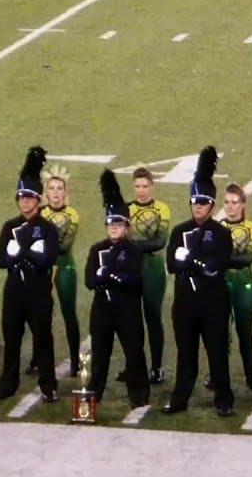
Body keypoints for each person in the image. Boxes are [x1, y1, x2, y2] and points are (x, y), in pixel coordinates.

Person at [163, 145, 234, 417]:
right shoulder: (180, 230)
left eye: (203, 203)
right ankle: (179, 398)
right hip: (185, 303)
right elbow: (171, 264)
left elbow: (216, 266)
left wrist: (191, 260)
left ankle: (224, 400)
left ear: (211, 205)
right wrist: (196, 263)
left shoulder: (220, 233)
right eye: (195, 202)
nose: (198, 207)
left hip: (213, 302)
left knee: (217, 353)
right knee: (186, 355)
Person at [0, 146, 60, 403]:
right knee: (12, 340)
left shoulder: (48, 228)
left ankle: (48, 384)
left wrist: (20, 253)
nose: (25, 202)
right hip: (14, 291)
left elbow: (48, 259)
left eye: (30, 197)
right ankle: (7, 384)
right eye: (21, 197)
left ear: (38, 200)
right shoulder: (10, 226)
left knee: (43, 340)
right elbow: (0, 260)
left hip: (39, 291)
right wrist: (27, 253)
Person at [85, 169, 149, 408]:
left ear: (126, 226)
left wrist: (107, 275)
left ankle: (139, 393)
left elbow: (131, 279)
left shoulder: (133, 250)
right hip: (101, 309)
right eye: (110, 223)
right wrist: (110, 278)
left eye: (118, 223)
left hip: (127, 309)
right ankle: (94, 393)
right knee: (100, 355)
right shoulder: (95, 249)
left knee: (134, 352)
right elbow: (90, 281)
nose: (113, 227)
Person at [33, 164, 79, 377]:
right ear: (46, 192)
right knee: (40, 315)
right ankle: (37, 358)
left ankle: (75, 358)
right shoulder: (39, 213)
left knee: (69, 313)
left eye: (59, 188)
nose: (55, 193)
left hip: (64, 267)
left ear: (65, 192)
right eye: (51, 188)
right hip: (43, 268)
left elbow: (64, 246)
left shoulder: (72, 215)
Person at [128, 167, 171, 385]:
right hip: (132, 269)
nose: (141, 191)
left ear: (152, 187)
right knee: (131, 320)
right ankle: (133, 366)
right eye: (137, 186)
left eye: (145, 186)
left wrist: (133, 245)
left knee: (153, 317)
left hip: (153, 268)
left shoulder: (161, 209)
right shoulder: (125, 209)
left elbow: (160, 241)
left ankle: (156, 368)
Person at [221, 183, 252, 391]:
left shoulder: (251, 227)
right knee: (220, 332)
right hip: (221, 285)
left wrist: (223, 258)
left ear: (243, 204)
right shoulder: (217, 227)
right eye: (227, 202)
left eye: (234, 202)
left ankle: (250, 375)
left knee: (244, 331)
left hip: (243, 283)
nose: (230, 207)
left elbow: (247, 257)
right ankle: (217, 375)